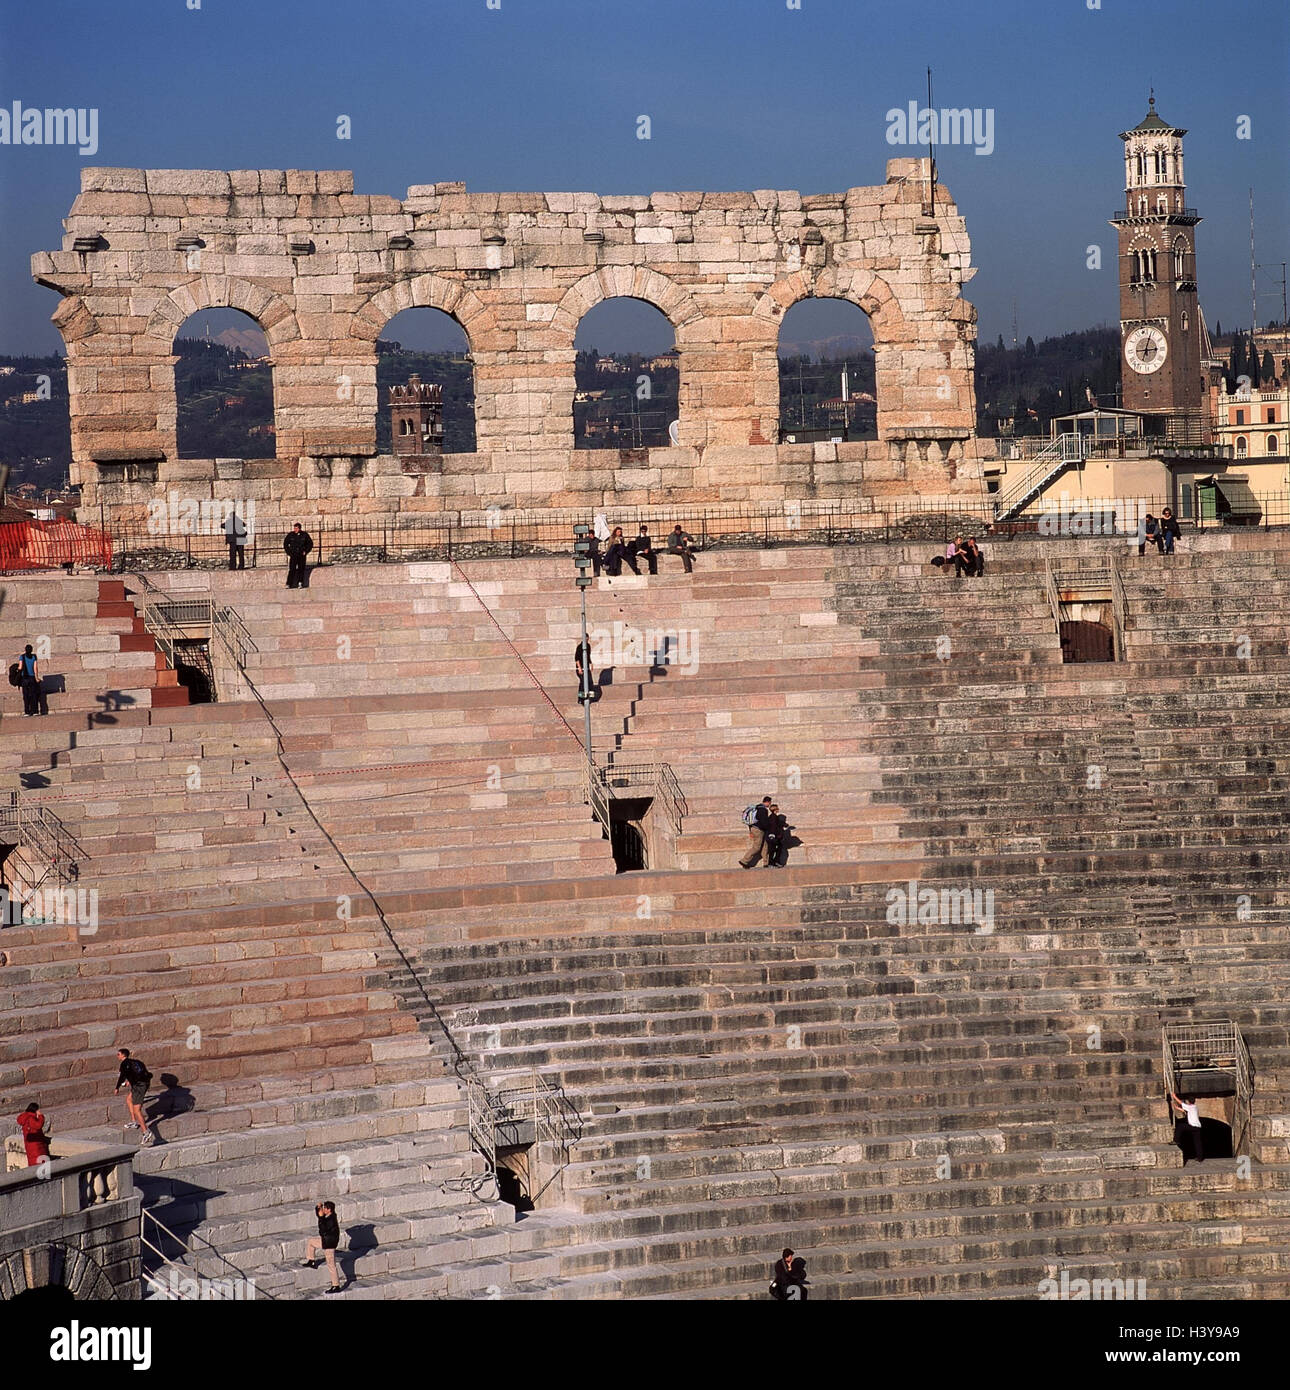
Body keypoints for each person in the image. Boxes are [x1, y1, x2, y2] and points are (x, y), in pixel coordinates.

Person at [301, 1200, 343, 1293]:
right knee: (311, 1242)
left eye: (324, 1208)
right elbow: (321, 1216)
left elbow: (323, 1229)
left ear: (329, 1209)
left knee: (331, 1265)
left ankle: (336, 1286)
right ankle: (311, 1260)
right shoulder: (330, 1216)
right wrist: (318, 1208)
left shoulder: (331, 1219)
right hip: (326, 1241)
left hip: (329, 1245)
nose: (323, 1209)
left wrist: (320, 1218)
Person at [114, 1048, 154, 1145]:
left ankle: (146, 1132)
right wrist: (129, 1082)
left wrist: (117, 1087)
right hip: (141, 1084)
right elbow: (138, 1072)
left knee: (137, 1110)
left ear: (123, 1055)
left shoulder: (124, 1064)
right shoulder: (134, 1062)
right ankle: (134, 1121)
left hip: (139, 1086)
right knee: (129, 1099)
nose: (117, 1055)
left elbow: (122, 1076)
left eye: (118, 1054)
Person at [739, 796, 774, 869]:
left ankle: (766, 863)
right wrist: (769, 828)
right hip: (759, 830)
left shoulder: (757, 808)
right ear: (767, 802)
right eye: (770, 803)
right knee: (757, 847)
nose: (770, 804)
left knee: (765, 846)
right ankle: (744, 860)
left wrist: (750, 831)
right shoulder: (763, 810)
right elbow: (764, 822)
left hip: (755, 829)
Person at [1170, 1091, 1204, 1164]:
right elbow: (1185, 1110)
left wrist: (1174, 1096)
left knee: (1180, 1126)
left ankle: (1176, 1140)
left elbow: (1181, 1103)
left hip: (1193, 1126)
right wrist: (1176, 1107)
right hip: (1197, 1128)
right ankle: (1200, 1157)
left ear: (1188, 1102)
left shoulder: (1190, 1107)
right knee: (1197, 1142)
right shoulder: (1194, 1107)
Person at [15, 1102, 51, 1167]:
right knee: (40, 1164)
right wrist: (40, 1116)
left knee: (33, 1162)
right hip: (37, 1145)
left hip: (29, 1145)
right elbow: (38, 1125)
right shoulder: (31, 1118)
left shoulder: (25, 1117)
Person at [283, 523, 313, 588]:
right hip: (293, 555)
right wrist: (289, 552)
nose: (295, 529)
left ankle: (300, 582)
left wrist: (306, 551)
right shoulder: (291, 535)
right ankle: (289, 583)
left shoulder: (304, 535)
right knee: (292, 569)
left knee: (301, 569)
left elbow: (310, 544)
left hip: (301, 555)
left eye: (296, 528)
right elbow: (285, 544)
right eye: (294, 528)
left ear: (299, 528)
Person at [17, 644, 43, 717]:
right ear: (31, 650)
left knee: (26, 695)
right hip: (32, 678)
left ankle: (27, 712)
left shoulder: (22, 657)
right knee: (33, 695)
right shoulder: (34, 657)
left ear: (25, 649)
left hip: (25, 678)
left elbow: (20, 667)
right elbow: (35, 668)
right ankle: (35, 711)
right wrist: (36, 677)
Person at [766, 803, 791, 868]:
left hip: (775, 836)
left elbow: (779, 823)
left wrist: (785, 825)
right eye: (777, 808)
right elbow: (773, 827)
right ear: (775, 810)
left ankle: (775, 862)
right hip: (774, 837)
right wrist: (773, 835)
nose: (778, 809)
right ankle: (771, 863)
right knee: (773, 850)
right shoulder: (773, 817)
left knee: (777, 849)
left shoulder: (773, 817)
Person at [574, 637, 595, 704]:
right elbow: (576, 659)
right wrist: (579, 668)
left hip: (586, 668)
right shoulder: (579, 647)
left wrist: (591, 664)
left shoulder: (588, 646)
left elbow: (588, 656)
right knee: (583, 683)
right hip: (581, 668)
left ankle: (591, 697)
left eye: (587, 639)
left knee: (590, 682)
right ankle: (580, 698)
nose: (586, 640)